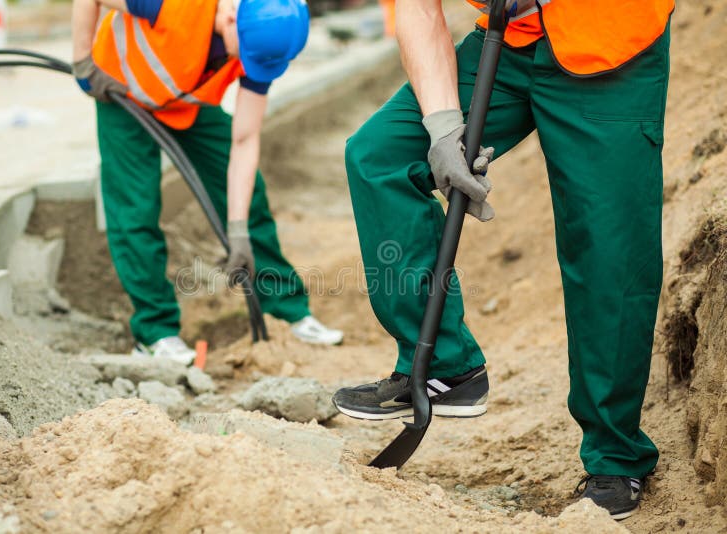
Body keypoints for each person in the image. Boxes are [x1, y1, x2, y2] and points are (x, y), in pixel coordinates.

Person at [332, 0, 674, 519]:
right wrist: (445, 131)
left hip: (611, 44)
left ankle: (615, 455)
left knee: (609, 246)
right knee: (379, 155)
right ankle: (444, 367)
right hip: (511, 40)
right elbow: (418, 9)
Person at [71, 0, 343, 365]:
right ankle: (155, 332)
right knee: (135, 209)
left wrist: (238, 230)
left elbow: (245, 141)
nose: (249, 66)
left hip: (186, 101)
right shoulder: (170, 5)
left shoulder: (260, 39)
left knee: (252, 197)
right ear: (231, 16)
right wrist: (82, 62)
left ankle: (285, 310)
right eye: (245, 53)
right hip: (121, 87)